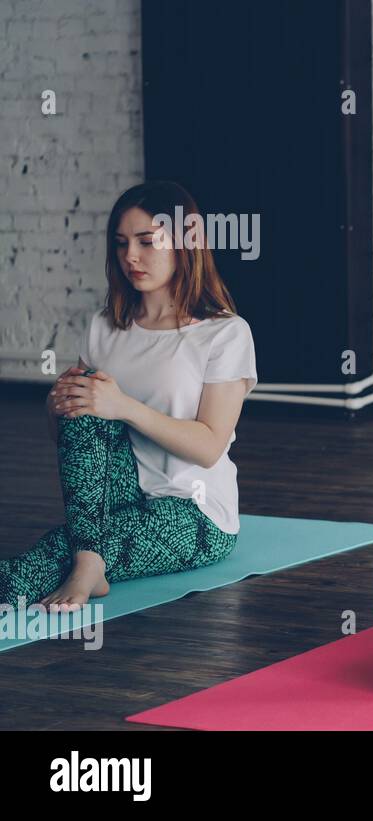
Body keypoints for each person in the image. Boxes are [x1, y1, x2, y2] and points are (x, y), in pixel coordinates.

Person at [0, 181, 258, 612]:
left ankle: (86, 563)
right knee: (84, 406)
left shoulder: (225, 334)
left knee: (42, 565)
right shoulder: (105, 326)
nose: (130, 257)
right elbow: (79, 438)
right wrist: (56, 408)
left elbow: (210, 446)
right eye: (121, 244)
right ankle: (88, 561)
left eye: (146, 242)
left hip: (194, 511)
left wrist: (124, 407)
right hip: (110, 504)